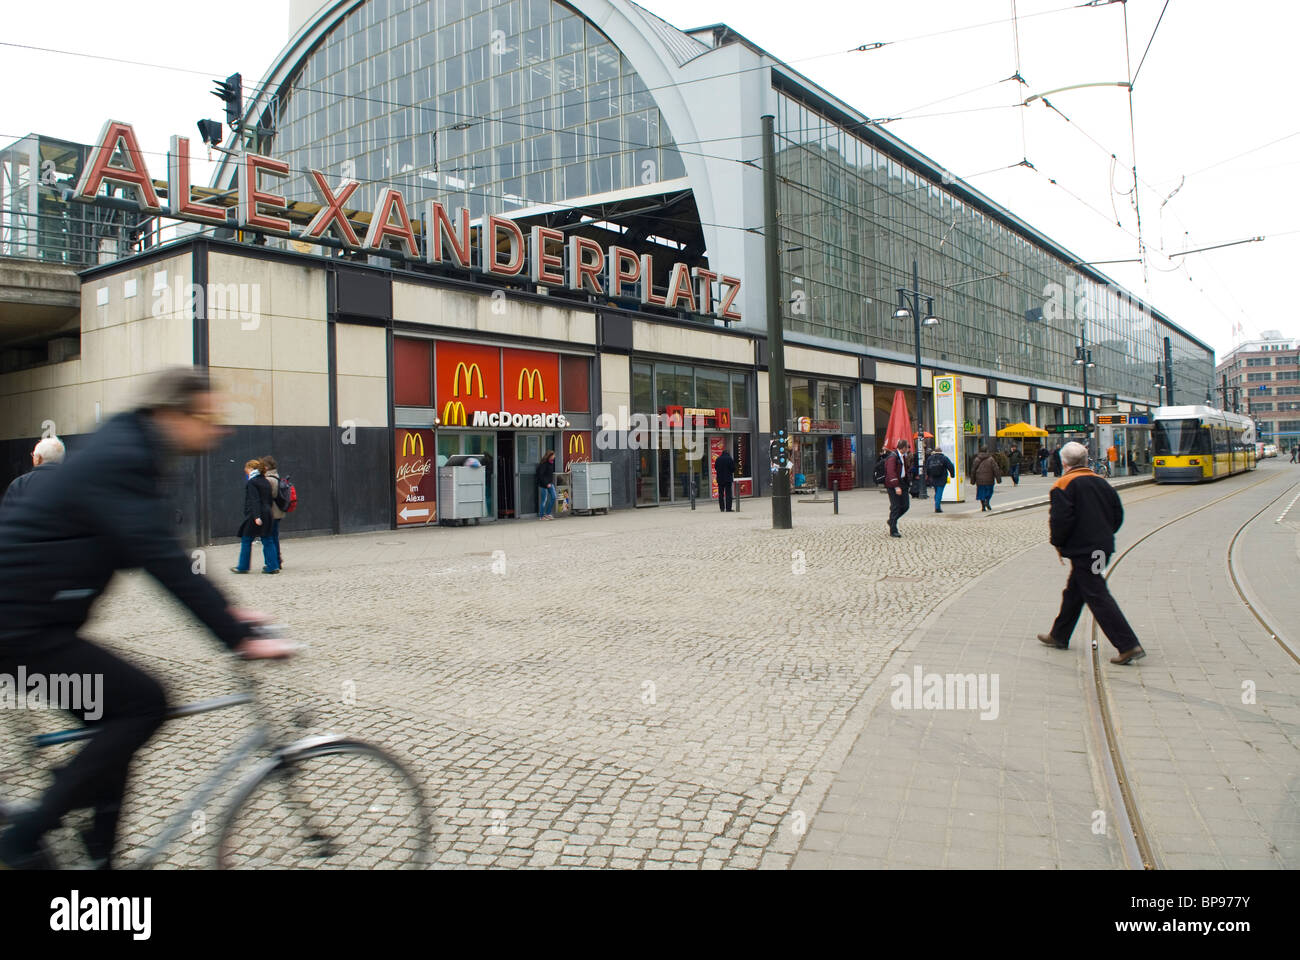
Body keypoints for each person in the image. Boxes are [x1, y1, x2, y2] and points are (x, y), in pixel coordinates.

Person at [0, 367, 294, 869]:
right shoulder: (126, 459)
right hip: (20, 629)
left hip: (33, 621)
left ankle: (98, 860)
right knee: (144, 703)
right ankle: (22, 838)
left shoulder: (132, 447)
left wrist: (229, 612)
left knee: (114, 732)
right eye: (207, 418)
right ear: (171, 415)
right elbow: (165, 563)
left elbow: (154, 550)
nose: (218, 430)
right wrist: (236, 635)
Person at [1038, 441, 1146, 666]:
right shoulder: (1102, 483)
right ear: (1086, 461)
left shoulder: (1063, 485)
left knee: (1096, 593)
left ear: (1064, 462)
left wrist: (1058, 543)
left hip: (1084, 551)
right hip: (1100, 547)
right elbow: (1118, 514)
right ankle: (1059, 634)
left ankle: (1127, 645)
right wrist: (1105, 534)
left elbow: (1060, 520)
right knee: (1074, 591)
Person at [232, 459, 278, 574]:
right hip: (268, 512)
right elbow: (269, 499)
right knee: (267, 539)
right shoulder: (265, 481)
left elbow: (254, 500)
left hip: (255, 514)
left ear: (251, 469)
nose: (245, 471)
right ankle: (272, 566)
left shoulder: (252, 482)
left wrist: (256, 516)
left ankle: (243, 566)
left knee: (246, 539)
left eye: (246, 469)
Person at [1, 436, 66, 514]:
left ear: (38, 459)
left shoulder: (20, 483)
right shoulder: (71, 482)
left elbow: (6, 514)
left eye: (33, 455)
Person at [260, 455, 286, 570]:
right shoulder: (277, 476)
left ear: (266, 467)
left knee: (269, 537)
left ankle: (273, 562)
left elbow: (267, 497)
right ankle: (277, 560)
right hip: (278, 512)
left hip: (272, 512)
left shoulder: (269, 479)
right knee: (274, 537)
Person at [883, 439, 910, 537]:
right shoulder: (892, 457)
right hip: (893, 485)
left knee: (905, 506)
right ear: (903, 448)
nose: (908, 449)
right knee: (896, 506)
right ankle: (893, 530)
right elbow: (891, 472)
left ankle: (891, 520)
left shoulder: (902, 456)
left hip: (903, 483)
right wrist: (896, 486)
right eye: (907, 447)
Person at [925, 444, 956, 513]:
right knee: (939, 492)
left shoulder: (930, 458)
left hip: (933, 478)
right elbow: (950, 466)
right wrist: (952, 475)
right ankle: (937, 507)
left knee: (937, 491)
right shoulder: (944, 458)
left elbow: (927, 467)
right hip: (942, 477)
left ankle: (937, 503)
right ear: (941, 451)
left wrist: (927, 475)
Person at [971, 444, 1002, 511]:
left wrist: (972, 480)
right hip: (989, 480)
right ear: (987, 451)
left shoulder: (976, 459)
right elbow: (996, 469)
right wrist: (998, 479)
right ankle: (987, 501)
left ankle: (983, 506)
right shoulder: (991, 459)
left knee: (981, 493)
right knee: (989, 491)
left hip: (979, 481)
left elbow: (973, 470)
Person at [537, 450, 557, 520]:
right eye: (553, 455)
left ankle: (547, 513)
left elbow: (549, 475)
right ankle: (541, 516)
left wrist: (550, 482)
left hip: (550, 483)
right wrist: (546, 483)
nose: (554, 457)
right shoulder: (544, 464)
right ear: (550, 456)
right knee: (544, 500)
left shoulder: (551, 463)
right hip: (543, 485)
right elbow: (540, 475)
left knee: (554, 497)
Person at [714, 447, 735, 512]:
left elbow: (716, 468)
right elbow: (733, 469)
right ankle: (728, 508)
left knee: (721, 494)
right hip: (728, 479)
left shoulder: (718, 459)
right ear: (728, 453)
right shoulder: (729, 459)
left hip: (720, 479)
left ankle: (722, 508)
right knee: (728, 494)